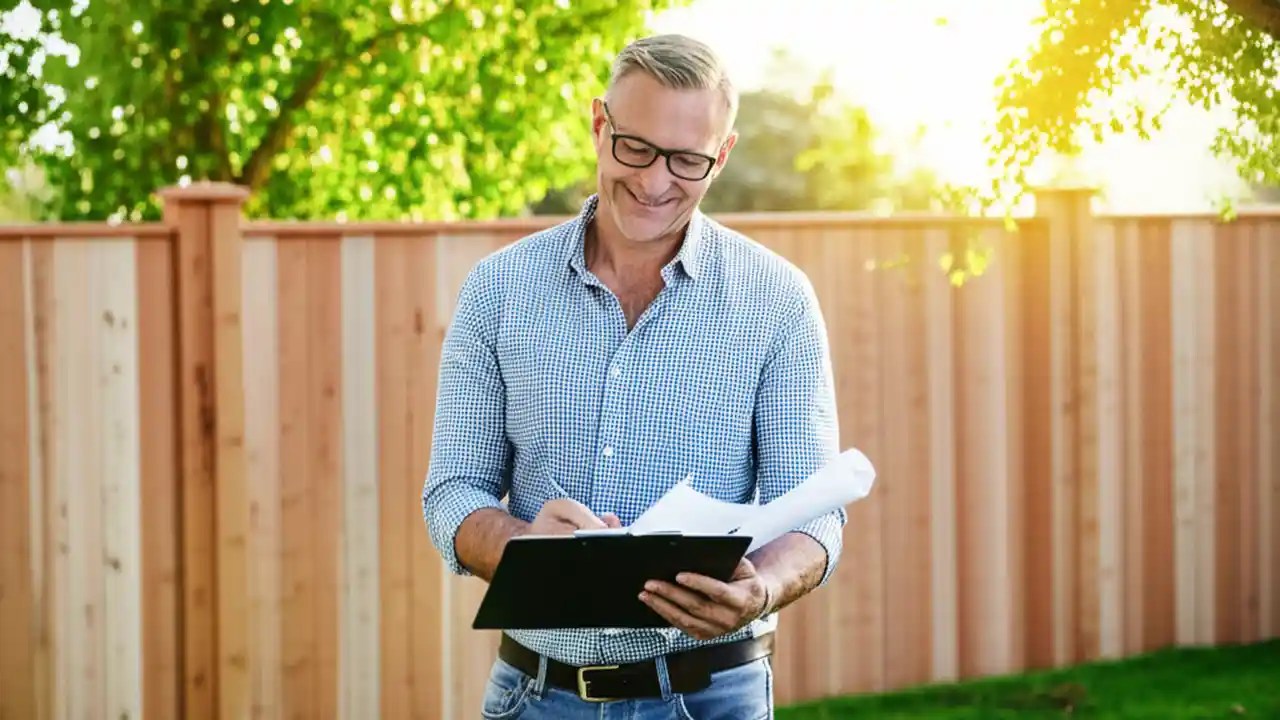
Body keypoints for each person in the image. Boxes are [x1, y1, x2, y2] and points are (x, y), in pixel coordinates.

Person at [421, 33, 846, 719]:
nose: (653, 183)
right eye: (636, 148)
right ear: (600, 124)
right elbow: (452, 492)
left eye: (687, 160)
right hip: (537, 698)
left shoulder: (778, 300)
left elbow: (814, 510)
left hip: (713, 698)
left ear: (722, 155)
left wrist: (761, 589)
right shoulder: (497, 291)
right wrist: (524, 549)